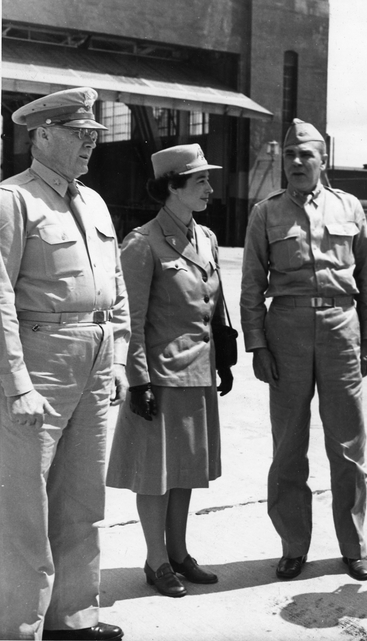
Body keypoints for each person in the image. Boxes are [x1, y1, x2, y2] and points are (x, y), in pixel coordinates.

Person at [0, 87, 129, 640]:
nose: (90, 144)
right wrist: (16, 383)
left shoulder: (95, 202)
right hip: (41, 358)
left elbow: (116, 287)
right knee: (25, 508)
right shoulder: (13, 199)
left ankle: (74, 619)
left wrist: (119, 356)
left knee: (83, 498)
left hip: (96, 359)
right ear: (43, 134)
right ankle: (19, 628)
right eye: (80, 134)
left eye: (94, 135)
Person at [240, 118, 367, 581]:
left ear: (323, 160)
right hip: (287, 333)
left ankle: (353, 545)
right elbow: (251, 287)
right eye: (290, 155)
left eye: (306, 155)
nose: (297, 162)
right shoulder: (266, 213)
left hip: (342, 329)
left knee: (347, 446)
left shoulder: (351, 207)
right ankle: (293, 543)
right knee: (288, 447)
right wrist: (257, 345)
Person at [106, 144, 230, 598]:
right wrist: (137, 382)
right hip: (160, 378)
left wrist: (227, 350)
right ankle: (156, 560)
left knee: (186, 469)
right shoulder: (142, 243)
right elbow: (130, 321)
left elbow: (214, 302)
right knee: (156, 475)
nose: (210, 189)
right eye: (200, 181)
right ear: (172, 187)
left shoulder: (207, 238)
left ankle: (179, 553)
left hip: (199, 375)